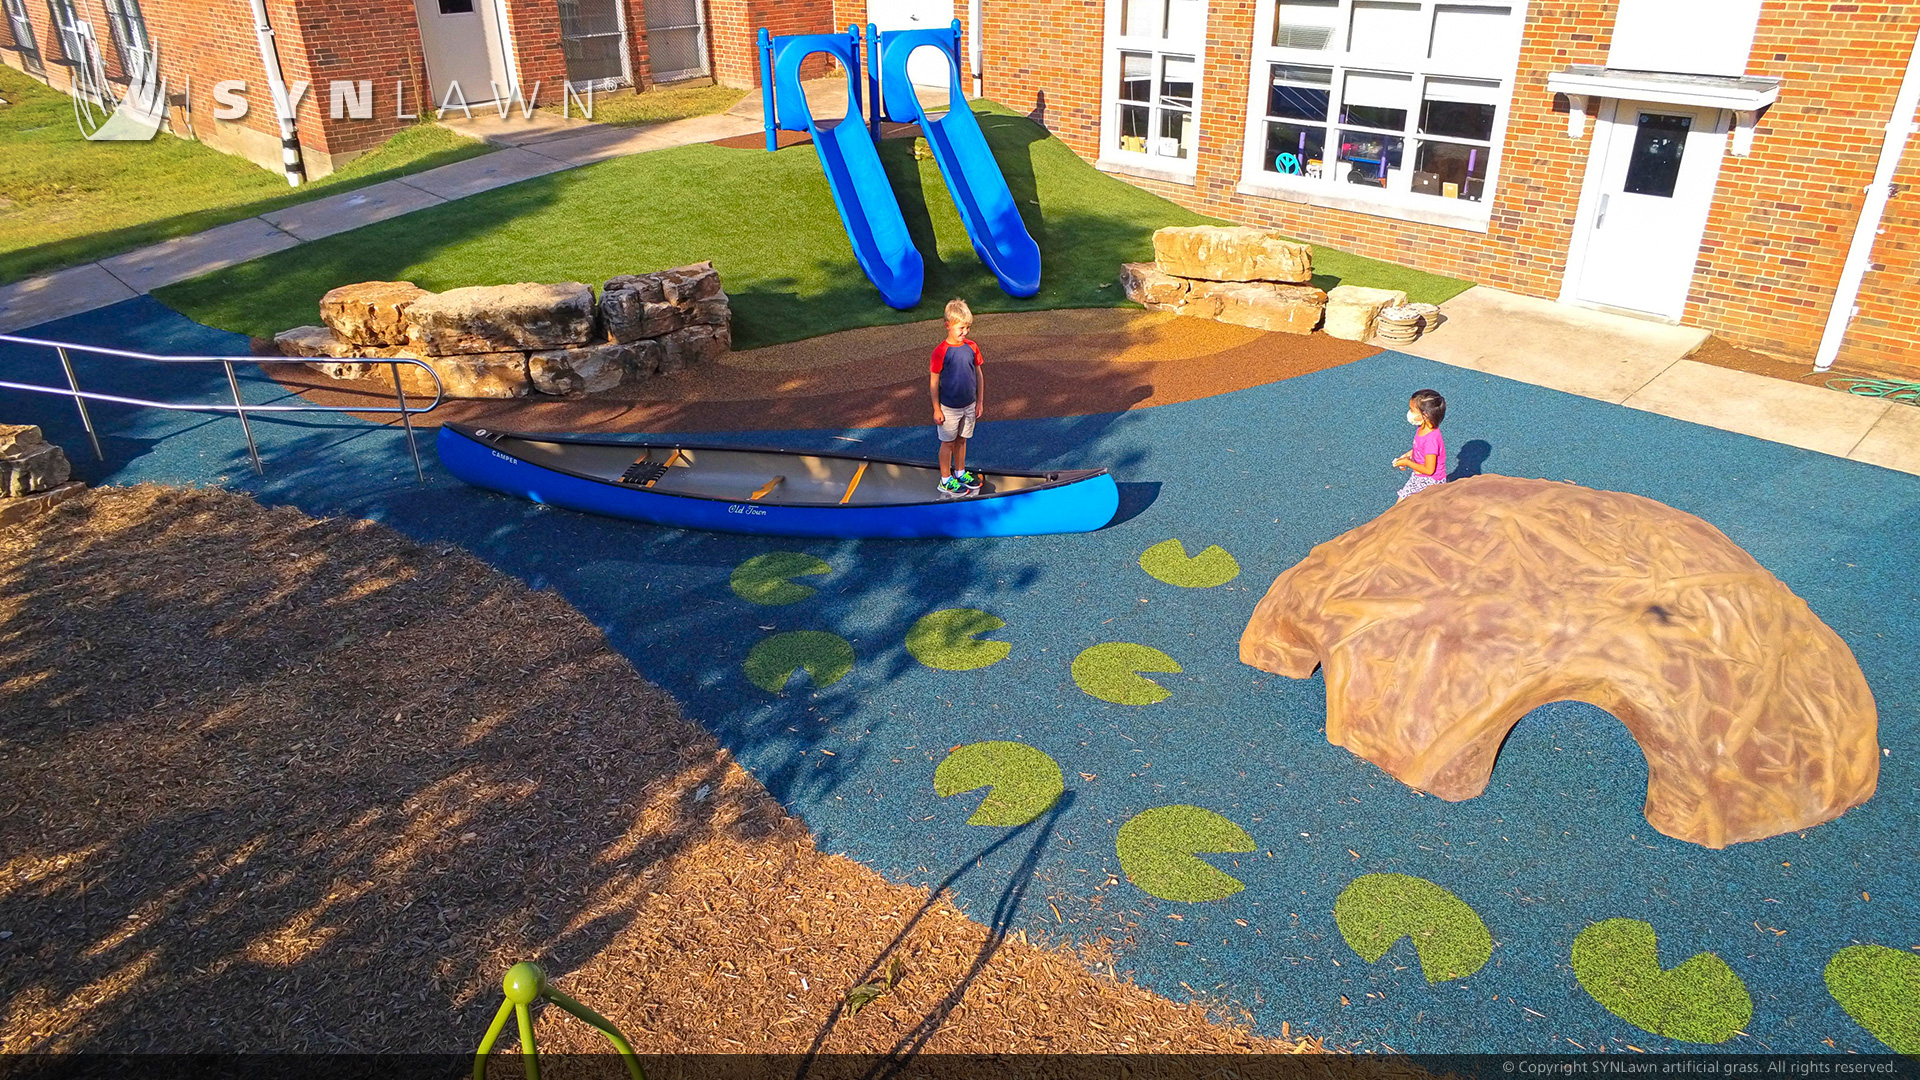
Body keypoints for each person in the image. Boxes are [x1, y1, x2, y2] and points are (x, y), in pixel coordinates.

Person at [929, 298, 986, 496]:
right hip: (949, 408)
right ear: (948, 326)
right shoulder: (940, 352)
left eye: (968, 327)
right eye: (961, 327)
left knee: (962, 439)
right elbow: (934, 382)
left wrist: (979, 402)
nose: (965, 332)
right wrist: (936, 408)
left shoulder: (972, 346)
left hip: (969, 405)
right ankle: (945, 480)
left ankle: (960, 472)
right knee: (947, 443)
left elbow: (978, 374)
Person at [1392, 388, 1447, 501]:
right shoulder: (1422, 428)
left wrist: (1408, 462)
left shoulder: (1431, 440)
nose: (1409, 413)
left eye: (1412, 410)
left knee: (1401, 504)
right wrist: (1408, 455)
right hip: (1420, 475)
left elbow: (1429, 470)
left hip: (1429, 479)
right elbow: (1420, 448)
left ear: (1425, 415)